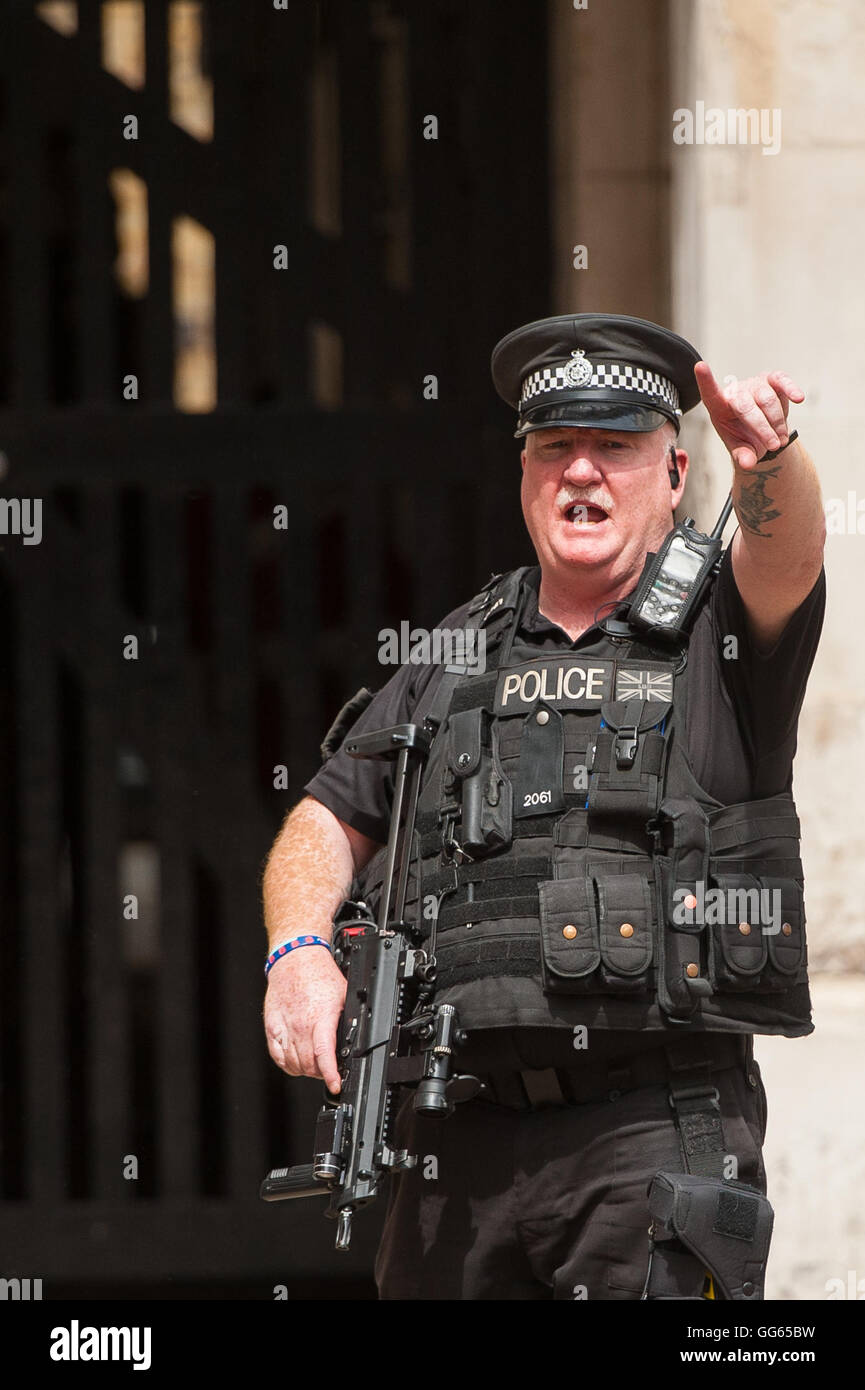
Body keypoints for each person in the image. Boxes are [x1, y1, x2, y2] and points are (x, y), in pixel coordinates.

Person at [262, 313, 825, 1300]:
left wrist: (769, 462)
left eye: (614, 447)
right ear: (525, 476)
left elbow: (788, 553)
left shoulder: (720, 628)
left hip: (649, 1133)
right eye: (555, 447)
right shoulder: (455, 650)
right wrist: (297, 952)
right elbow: (325, 815)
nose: (580, 473)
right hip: (456, 1150)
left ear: (674, 474)